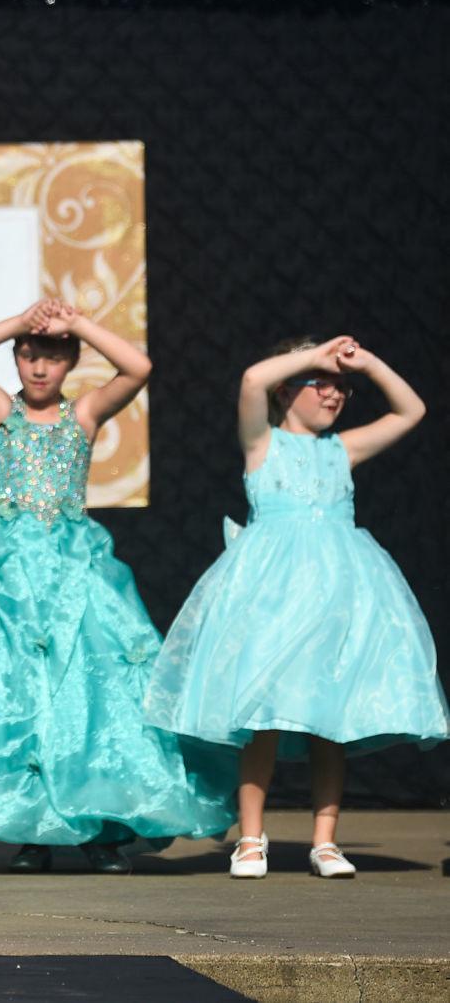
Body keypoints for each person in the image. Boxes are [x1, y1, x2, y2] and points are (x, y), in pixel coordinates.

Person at [0, 300, 232, 871]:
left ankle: (97, 829)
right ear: (16, 357)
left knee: (90, 694)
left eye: (52, 359)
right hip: (7, 577)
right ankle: (34, 831)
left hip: (72, 572)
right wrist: (19, 322)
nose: (39, 368)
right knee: (18, 695)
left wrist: (76, 324)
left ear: (69, 364)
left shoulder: (82, 415)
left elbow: (138, 369)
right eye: (30, 356)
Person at [145, 336, 446, 879]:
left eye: (342, 388)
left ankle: (325, 840)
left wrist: (368, 363)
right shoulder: (262, 442)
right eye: (322, 383)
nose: (335, 394)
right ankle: (251, 836)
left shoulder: (341, 451)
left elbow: (413, 409)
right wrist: (315, 356)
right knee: (262, 714)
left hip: (338, 595)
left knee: (329, 717)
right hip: (273, 596)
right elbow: (252, 381)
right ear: (290, 388)